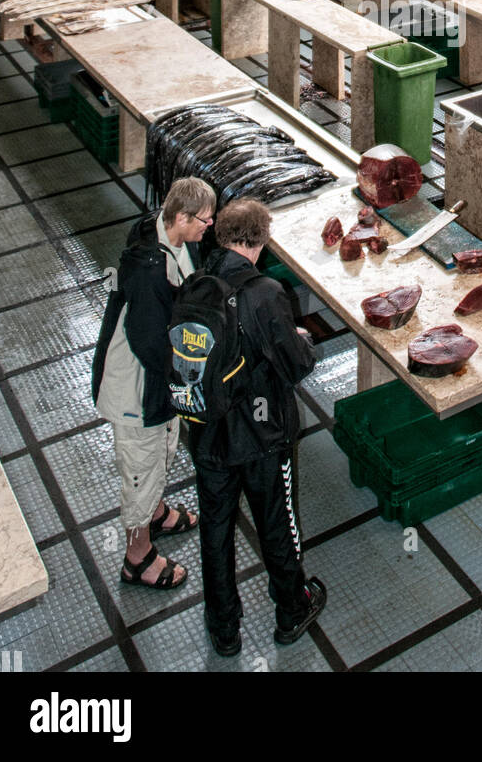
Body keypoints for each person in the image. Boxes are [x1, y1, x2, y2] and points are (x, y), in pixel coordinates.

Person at [188, 199, 324, 656]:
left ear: (221, 236)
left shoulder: (197, 283)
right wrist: (304, 343)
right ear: (261, 239)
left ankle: (223, 628)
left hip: (207, 434)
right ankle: (291, 609)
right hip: (262, 435)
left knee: (215, 529)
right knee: (277, 524)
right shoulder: (265, 292)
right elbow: (294, 365)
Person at [91, 177, 215, 591]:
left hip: (155, 387)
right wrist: (198, 372)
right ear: (180, 216)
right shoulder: (147, 271)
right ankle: (137, 555)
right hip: (137, 392)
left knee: (161, 450)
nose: (209, 225)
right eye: (204, 218)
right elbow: (150, 346)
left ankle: (157, 512)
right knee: (141, 470)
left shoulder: (169, 236)